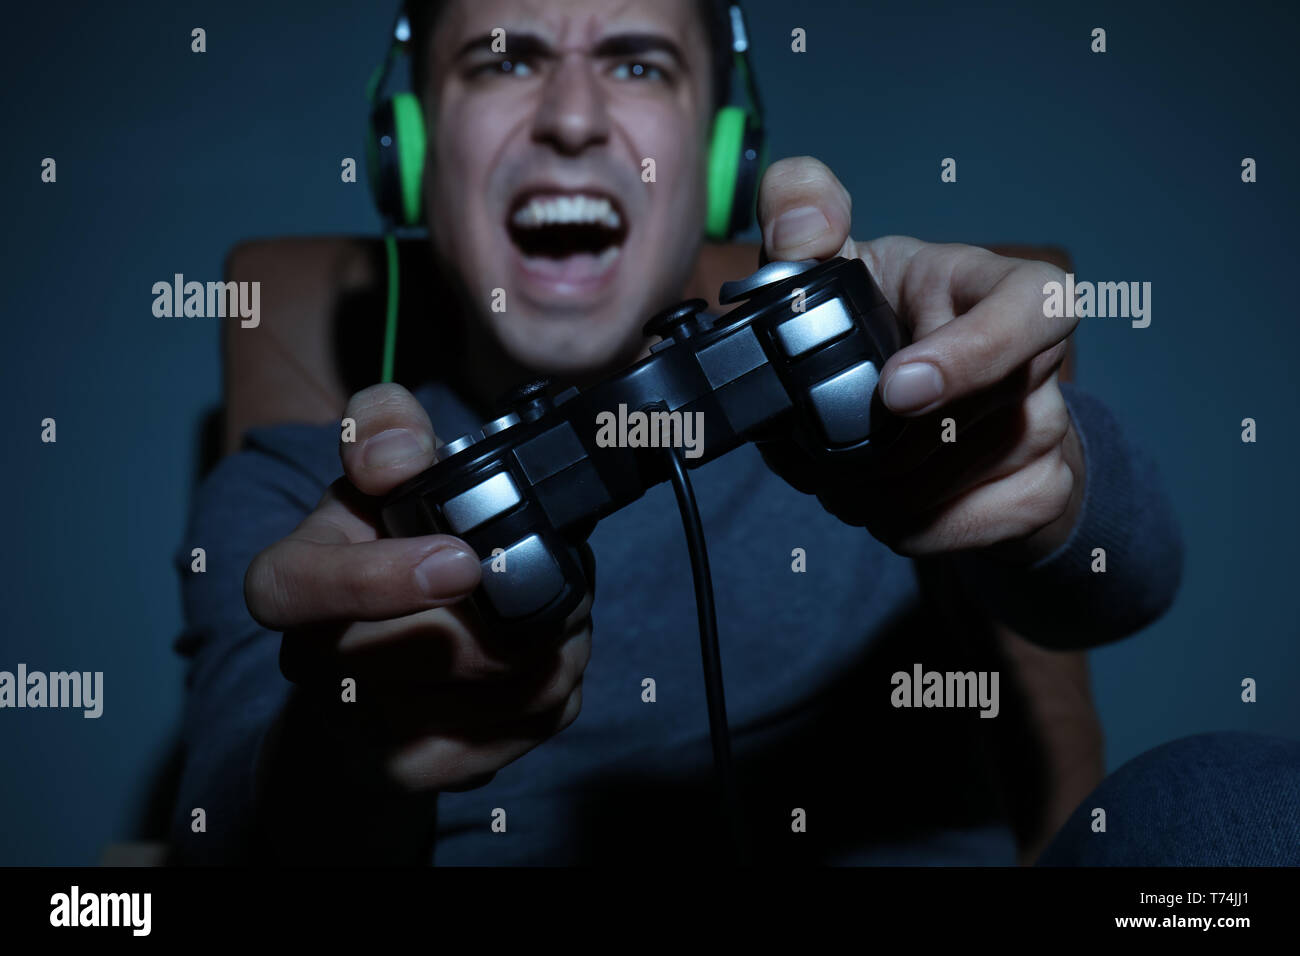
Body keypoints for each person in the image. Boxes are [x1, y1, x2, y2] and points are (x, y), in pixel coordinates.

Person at [170, 0, 1190, 865]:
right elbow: (217, 827)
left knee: (1226, 802)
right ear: (410, 153)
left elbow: (1129, 583)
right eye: (504, 57)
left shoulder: (879, 371)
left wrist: (1036, 465)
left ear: (717, 157)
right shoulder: (309, 493)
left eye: (635, 61)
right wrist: (341, 752)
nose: (570, 118)